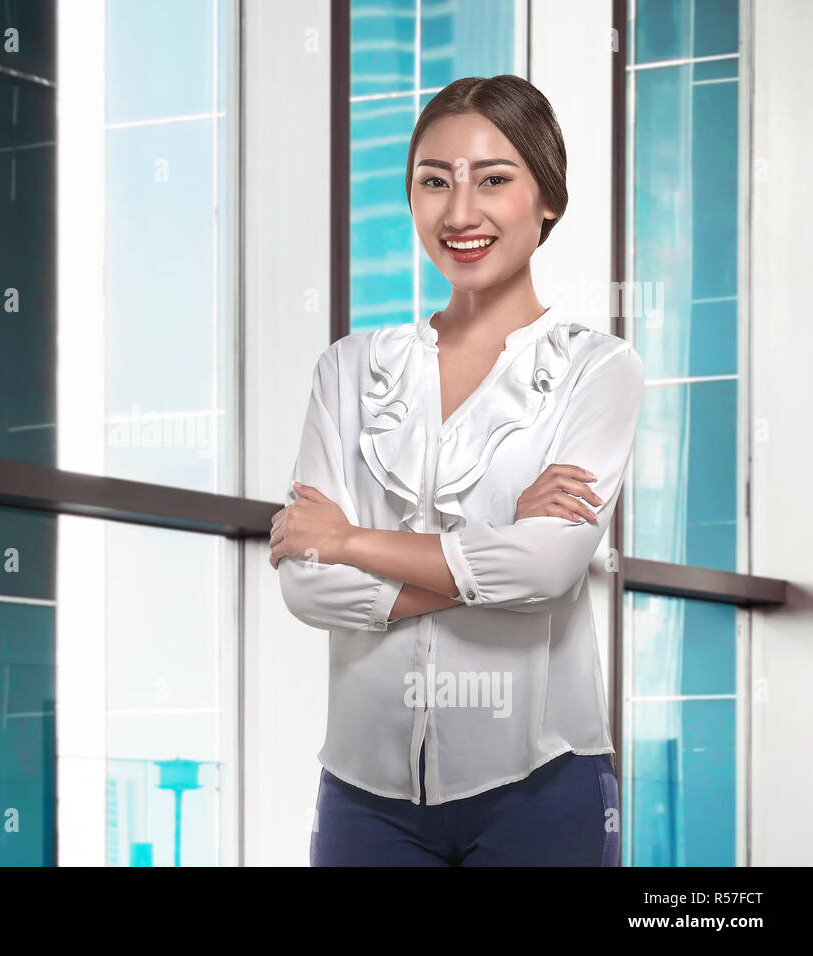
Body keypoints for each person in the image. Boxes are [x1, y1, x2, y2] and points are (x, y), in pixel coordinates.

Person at [271, 75, 639, 866]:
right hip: (363, 797)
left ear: (547, 199)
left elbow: (547, 568)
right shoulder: (349, 369)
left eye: (493, 180)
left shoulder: (597, 370)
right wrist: (493, 547)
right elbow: (304, 581)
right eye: (434, 181)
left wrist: (351, 540)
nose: (460, 212)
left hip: (543, 787)